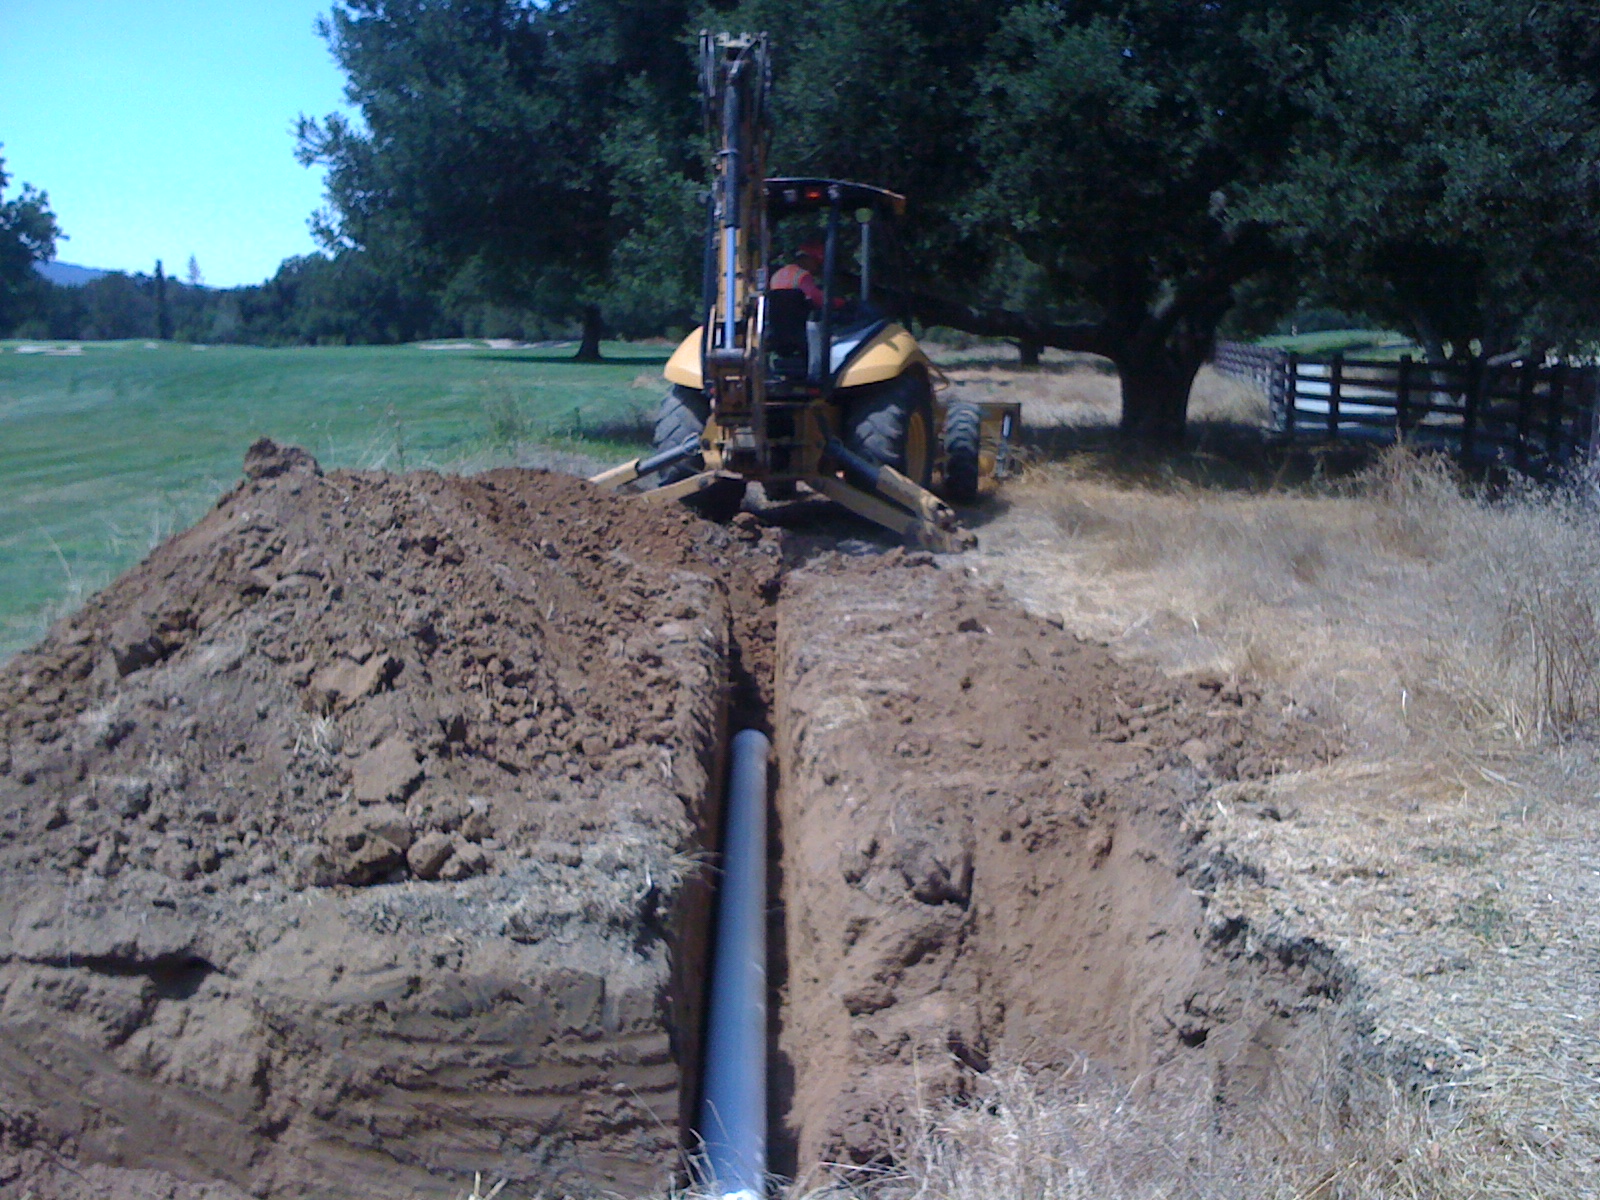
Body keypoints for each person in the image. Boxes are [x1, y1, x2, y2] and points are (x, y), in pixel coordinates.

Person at [770, 237, 831, 309]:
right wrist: (840, 302)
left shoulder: (777, 274)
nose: (817, 267)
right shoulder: (803, 276)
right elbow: (817, 299)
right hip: (795, 317)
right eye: (816, 262)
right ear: (807, 259)